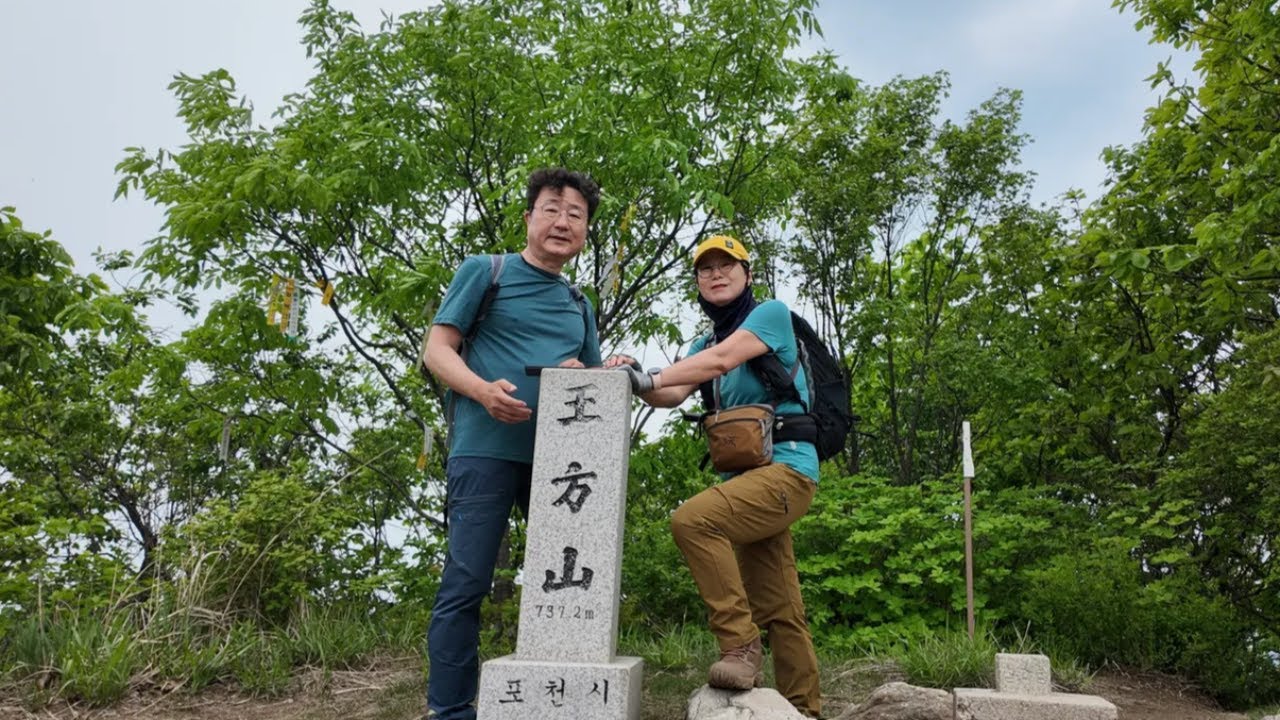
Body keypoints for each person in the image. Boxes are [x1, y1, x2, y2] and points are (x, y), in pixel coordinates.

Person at [608, 235, 822, 718]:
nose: (716, 274)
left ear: (748, 273)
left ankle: (740, 646)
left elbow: (725, 361)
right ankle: (804, 711)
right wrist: (633, 373)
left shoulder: (770, 315)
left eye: (728, 265)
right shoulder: (701, 343)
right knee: (782, 608)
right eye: (706, 270)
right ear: (698, 285)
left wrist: (653, 375)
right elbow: (670, 393)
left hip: (788, 471)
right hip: (746, 483)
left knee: (693, 520)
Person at [422, 167, 603, 720]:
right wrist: (482, 392)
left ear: (586, 231)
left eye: (576, 214)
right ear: (528, 218)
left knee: (571, 588)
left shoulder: (579, 303)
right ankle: (450, 711)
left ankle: (559, 694)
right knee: (468, 580)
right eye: (552, 208)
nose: (562, 221)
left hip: (561, 463)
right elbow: (437, 350)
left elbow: (593, 385)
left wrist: (590, 371)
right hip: (485, 449)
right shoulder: (487, 271)